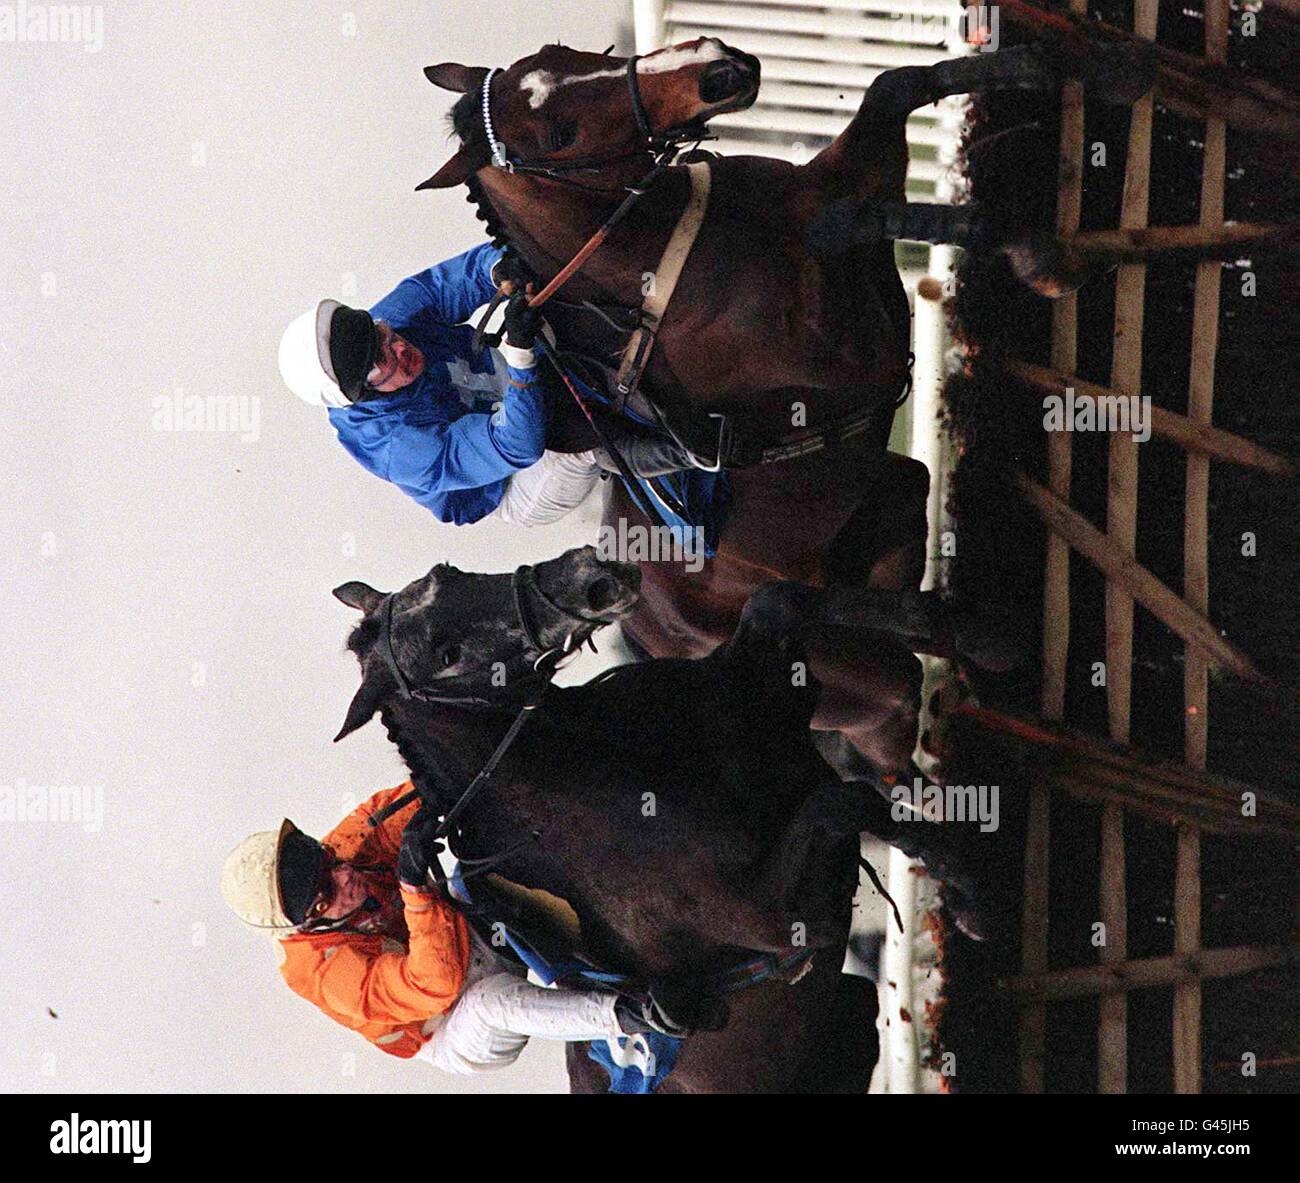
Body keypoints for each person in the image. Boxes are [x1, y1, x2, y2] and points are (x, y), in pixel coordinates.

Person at [219, 782, 689, 1075]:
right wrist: (415, 889)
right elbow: (434, 983)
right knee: (492, 1000)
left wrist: (450, 789)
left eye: (328, 862)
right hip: (451, 1024)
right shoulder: (326, 975)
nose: (344, 878)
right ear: (306, 924)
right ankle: (632, 1017)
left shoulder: (344, 850)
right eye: (327, 895)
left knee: (479, 860)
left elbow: (412, 799)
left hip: (462, 937)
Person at [277, 244, 708, 528]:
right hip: (512, 482)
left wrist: (498, 267)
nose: (400, 348)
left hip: (504, 388)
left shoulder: (384, 326)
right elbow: (518, 445)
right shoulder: (398, 445)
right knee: (575, 446)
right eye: (384, 360)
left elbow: (453, 280)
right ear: (362, 394)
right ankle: (701, 450)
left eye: (387, 334)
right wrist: (520, 356)